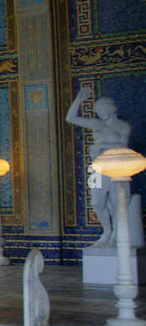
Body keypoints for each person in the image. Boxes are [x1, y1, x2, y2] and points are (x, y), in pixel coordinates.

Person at [65, 87, 131, 247]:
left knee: (117, 203)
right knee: (97, 202)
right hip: (98, 167)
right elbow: (70, 118)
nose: (99, 111)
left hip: (117, 167)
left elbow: (124, 145)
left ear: (112, 108)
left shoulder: (123, 126)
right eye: (97, 109)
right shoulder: (96, 124)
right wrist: (79, 99)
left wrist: (102, 147)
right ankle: (106, 230)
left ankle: (115, 234)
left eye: (102, 108)